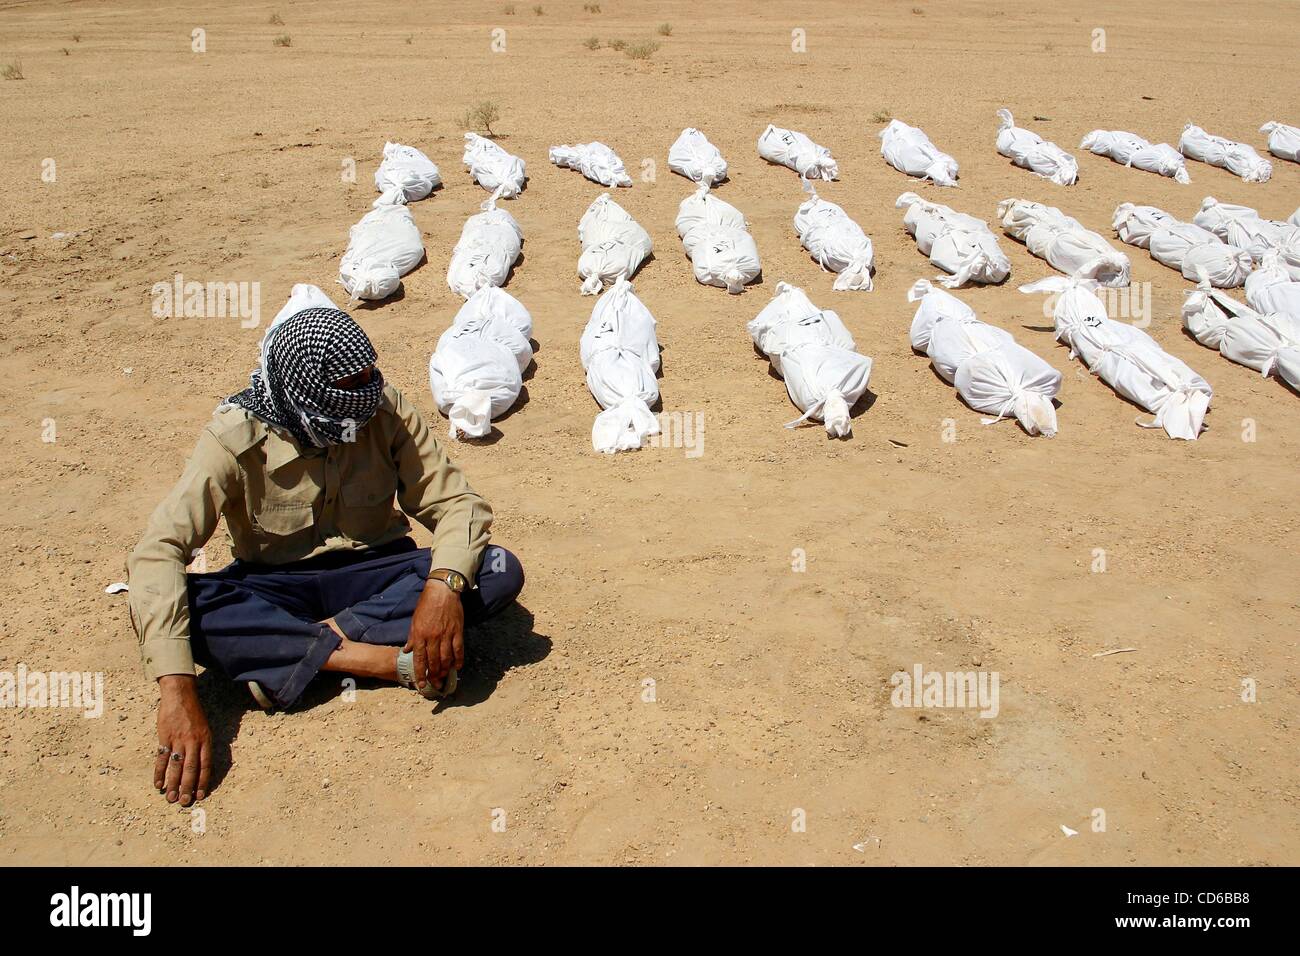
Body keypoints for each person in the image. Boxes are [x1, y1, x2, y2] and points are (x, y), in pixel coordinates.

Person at [127, 305, 523, 807]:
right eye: (346, 395)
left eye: (368, 382)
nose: (363, 402)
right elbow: (157, 552)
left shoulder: (382, 408)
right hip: (275, 587)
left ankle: (302, 654)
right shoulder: (233, 438)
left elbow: (457, 503)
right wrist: (178, 691)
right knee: (183, 601)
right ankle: (374, 661)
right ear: (301, 393)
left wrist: (442, 584)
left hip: (374, 575)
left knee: (493, 568)